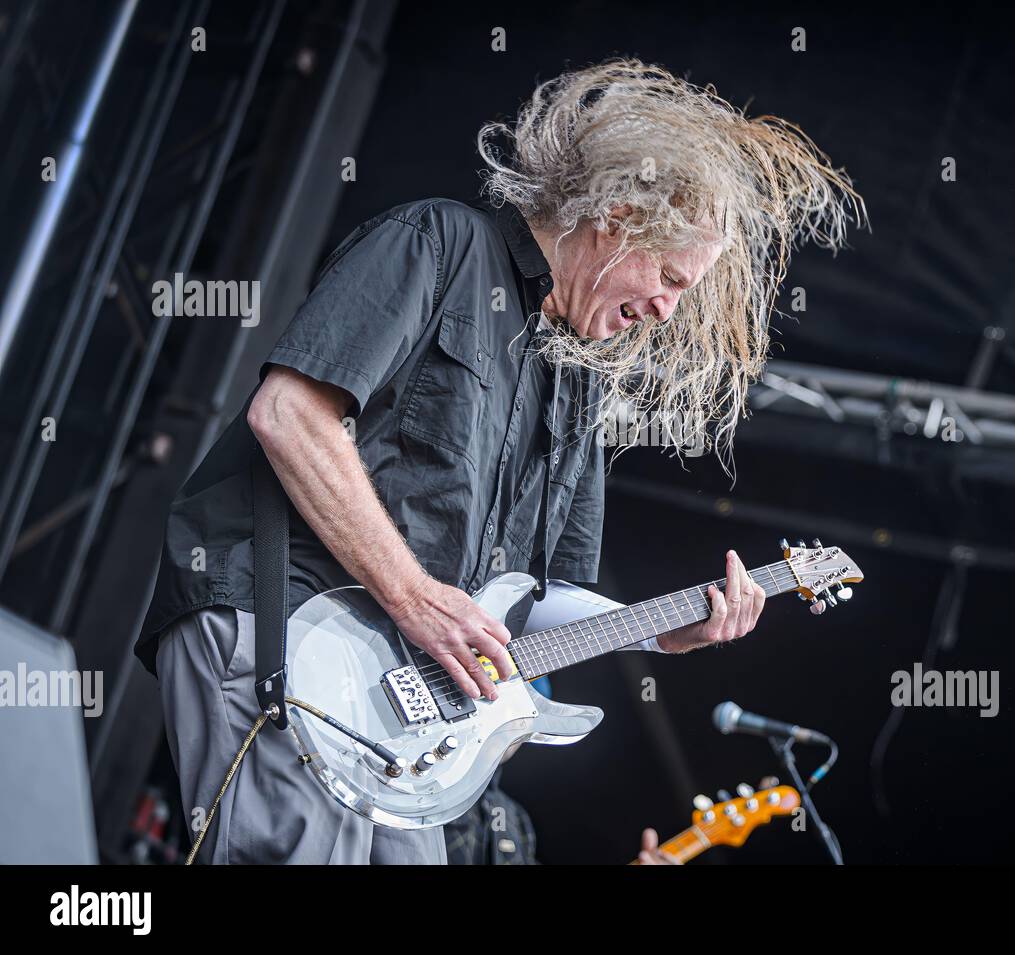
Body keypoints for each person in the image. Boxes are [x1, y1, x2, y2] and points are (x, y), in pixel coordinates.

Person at [137, 58, 864, 864]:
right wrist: (413, 594)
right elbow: (289, 415)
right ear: (617, 217)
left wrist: (666, 634)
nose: (667, 307)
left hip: (407, 710)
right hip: (286, 637)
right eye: (667, 277)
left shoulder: (579, 387)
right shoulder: (439, 243)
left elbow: (531, 602)